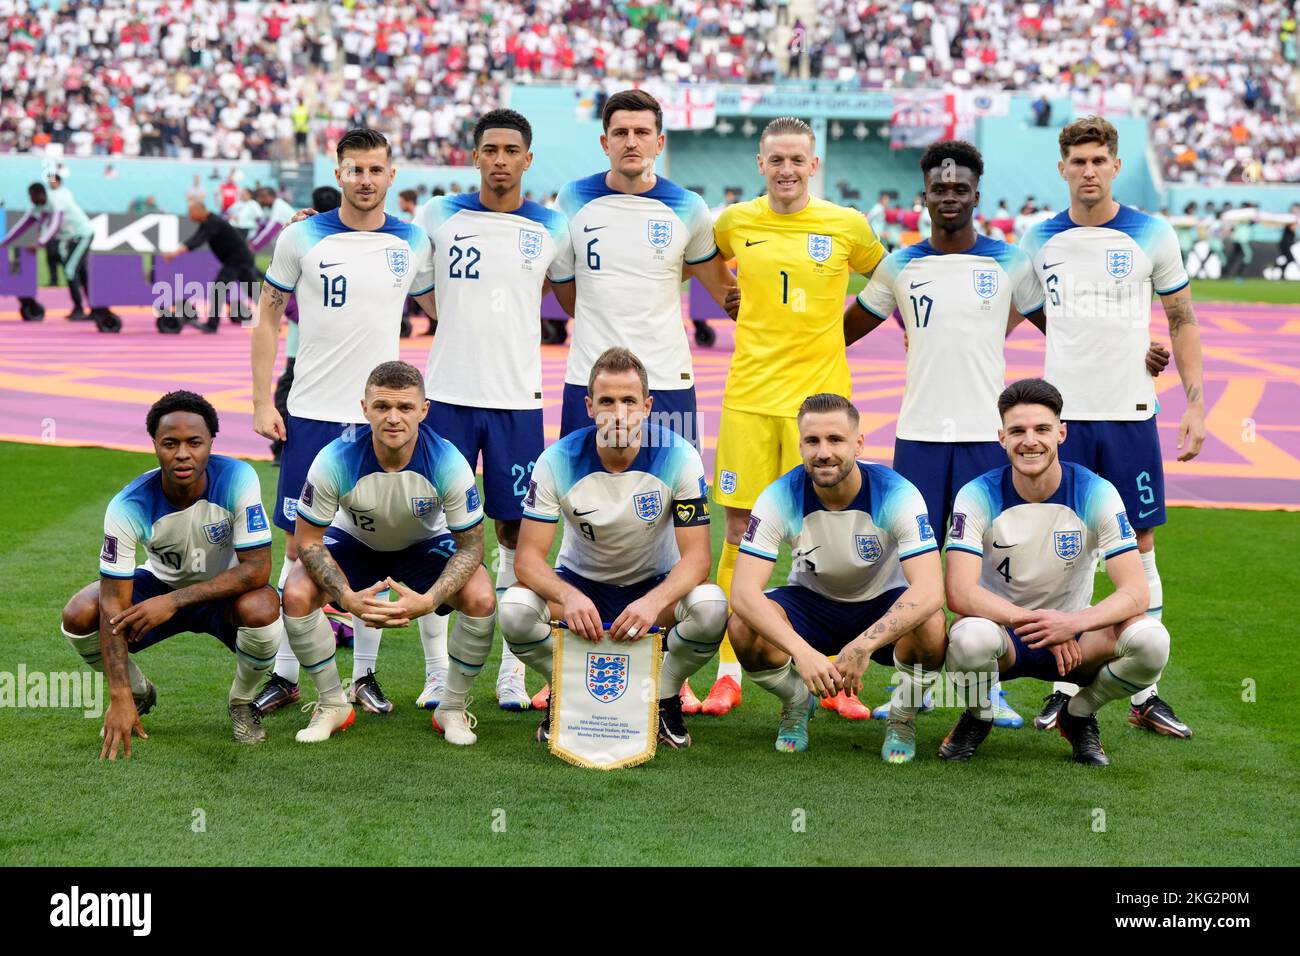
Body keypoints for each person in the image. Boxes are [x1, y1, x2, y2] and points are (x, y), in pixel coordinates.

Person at [537, 88, 737, 713]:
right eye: (619, 132)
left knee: (676, 511)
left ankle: (673, 661)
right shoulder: (572, 198)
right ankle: (565, 653)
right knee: (577, 500)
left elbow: (722, 289)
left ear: (659, 141)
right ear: (605, 141)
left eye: (641, 132)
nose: (630, 141)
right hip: (588, 380)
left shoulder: (688, 207)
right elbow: (565, 289)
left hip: (668, 380)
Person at [846, 140, 1045, 728]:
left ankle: (985, 686)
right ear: (925, 196)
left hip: (987, 437)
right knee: (915, 565)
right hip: (919, 435)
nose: (950, 196)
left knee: (989, 564)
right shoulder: (899, 265)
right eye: (940, 188)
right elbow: (839, 332)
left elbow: (1065, 331)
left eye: (960, 188)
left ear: (976, 195)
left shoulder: (1011, 263)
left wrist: (1132, 349)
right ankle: (914, 686)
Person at [1019, 116, 1204, 738]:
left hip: (1130, 417)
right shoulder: (1040, 237)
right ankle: (1064, 685)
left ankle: (1144, 693)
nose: (1089, 171)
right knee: (1068, 547)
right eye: (1078, 161)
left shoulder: (1152, 232)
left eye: (1099, 160)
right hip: (1064, 422)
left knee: (1139, 544)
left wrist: (1195, 404)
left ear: (1116, 165)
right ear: (1062, 168)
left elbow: (1181, 319)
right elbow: (1030, 312)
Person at [249, 127, 437, 717]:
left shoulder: (413, 241)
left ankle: (365, 677)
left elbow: (444, 306)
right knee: (297, 547)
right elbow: (266, 318)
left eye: (375, 169)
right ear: (338, 173)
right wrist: (262, 402)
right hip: (310, 413)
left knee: (374, 542)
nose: (365, 179)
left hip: (378, 419)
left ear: (391, 175)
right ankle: (287, 675)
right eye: (354, 169)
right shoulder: (300, 235)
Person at [707, 116, 885, 718]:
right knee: (739, 533)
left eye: (797, 160)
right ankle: (728, 673)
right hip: (750, 401)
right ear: (761, 164)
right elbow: (701, 262)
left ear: (815, 165)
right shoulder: (735, 222)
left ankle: (833, 678)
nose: (787, 170)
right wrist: (727, 295)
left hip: (822, 408)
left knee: (828, 535)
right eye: (776, 159)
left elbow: (890, 280)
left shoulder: (847, 225)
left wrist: (843, 332)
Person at [413, 108, 575, 712]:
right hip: (448, 394)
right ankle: (436, 672)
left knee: (513, 531)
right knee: (433, 525)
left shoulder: (551, 225)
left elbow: (567, 291)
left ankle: (511, 672)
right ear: (475, 156)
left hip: (517, 401)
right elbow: (419, 286)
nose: (501, 159)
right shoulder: (438, 214)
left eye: (512, 150)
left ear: (527, 159)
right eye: (491, 150)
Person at [500, 348, 727, 748]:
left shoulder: (679, 456)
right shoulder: (557, 460)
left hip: (653, 589)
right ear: (589, 406)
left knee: (711, 608)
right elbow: (528, 560)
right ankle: (566, 690)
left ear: (647, 407)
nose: (618, 413)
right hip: (581, 588)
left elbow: (697, 559)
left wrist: (652, 602)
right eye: (607, 401)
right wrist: (568, 596)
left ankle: (663, 697)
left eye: (629, 401)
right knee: (515, 610)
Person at [940, 379, 1171, 766]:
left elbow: (1135, 592)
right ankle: (978, 715)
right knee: (967, 639)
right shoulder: (976, 493)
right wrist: (1038, 623)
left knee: (1152, 642)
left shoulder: (1096, 491)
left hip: (1076, 639)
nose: (1030, 441)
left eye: (1042, 429)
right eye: (1018, 431)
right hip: (1004, 634)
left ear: (1061, 433)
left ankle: (1078, 713)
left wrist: (1072, 623)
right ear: (1001, 438)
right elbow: (959, 593)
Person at [281, 361, 496, 744]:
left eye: (405, 407)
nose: (393, 418)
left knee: (481, 597)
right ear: (365, 408)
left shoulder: (447, 460)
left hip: (424, 547)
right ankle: (332, 704)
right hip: (355, 545)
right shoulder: (335, 457)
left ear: (424, 410)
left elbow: (472, 547)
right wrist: (345, 596)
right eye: (382, 406)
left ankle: (452, 707)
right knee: (296, 593)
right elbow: (308, 541)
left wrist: (430, 600)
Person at [59, 391, 281, 757]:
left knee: (263, 608)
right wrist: (118, 694)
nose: (182, 453)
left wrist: (174, 601)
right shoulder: (127, 505)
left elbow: (257, 569)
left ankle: (242, 702)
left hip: (222, 592)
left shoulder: (237, 477)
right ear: (155, 445)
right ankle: (138, 692)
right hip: (159, 584)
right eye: (170, 443)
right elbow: (112, 601)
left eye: (194, 442)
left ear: (211, 442)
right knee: (80, 612)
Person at [726, 393, 946, 762]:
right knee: (742, 627)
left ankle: (903, 713)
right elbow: (744, 593)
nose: (823, 452)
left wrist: (862, 646)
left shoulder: (897, 493)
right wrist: (802, 654)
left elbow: (929, 590)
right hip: (812, 604)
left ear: (859, 444)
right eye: (812, 441)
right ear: (800, 446)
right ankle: (797, 701)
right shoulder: (779, 495)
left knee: (931, 623)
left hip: (881, 603)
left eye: (835, 440)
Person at [160, 201, 260, 332]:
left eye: (191, 213)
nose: (190, 216)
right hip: (241, 259)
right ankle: (277, 314)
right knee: (254, 292)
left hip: (236, 261)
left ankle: (212, 325)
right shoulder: (208, 222)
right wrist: (177, 251)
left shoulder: (213, 222)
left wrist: (174, 253)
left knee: (219, 289)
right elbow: (196, 237)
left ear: (199, 210)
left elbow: (198, 240)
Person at [1, 181, 94, 320]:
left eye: (31, 196)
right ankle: (95, 308)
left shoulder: (56, 200)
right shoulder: (37, 207)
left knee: (70, 270)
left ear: (39, 194)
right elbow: (23, 225)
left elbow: (55, 225)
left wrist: (40, 243)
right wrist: (4, 243)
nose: (30, 199)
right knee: (81, 272)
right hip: (68, 239)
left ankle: (79, 309)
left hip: (82, 235)